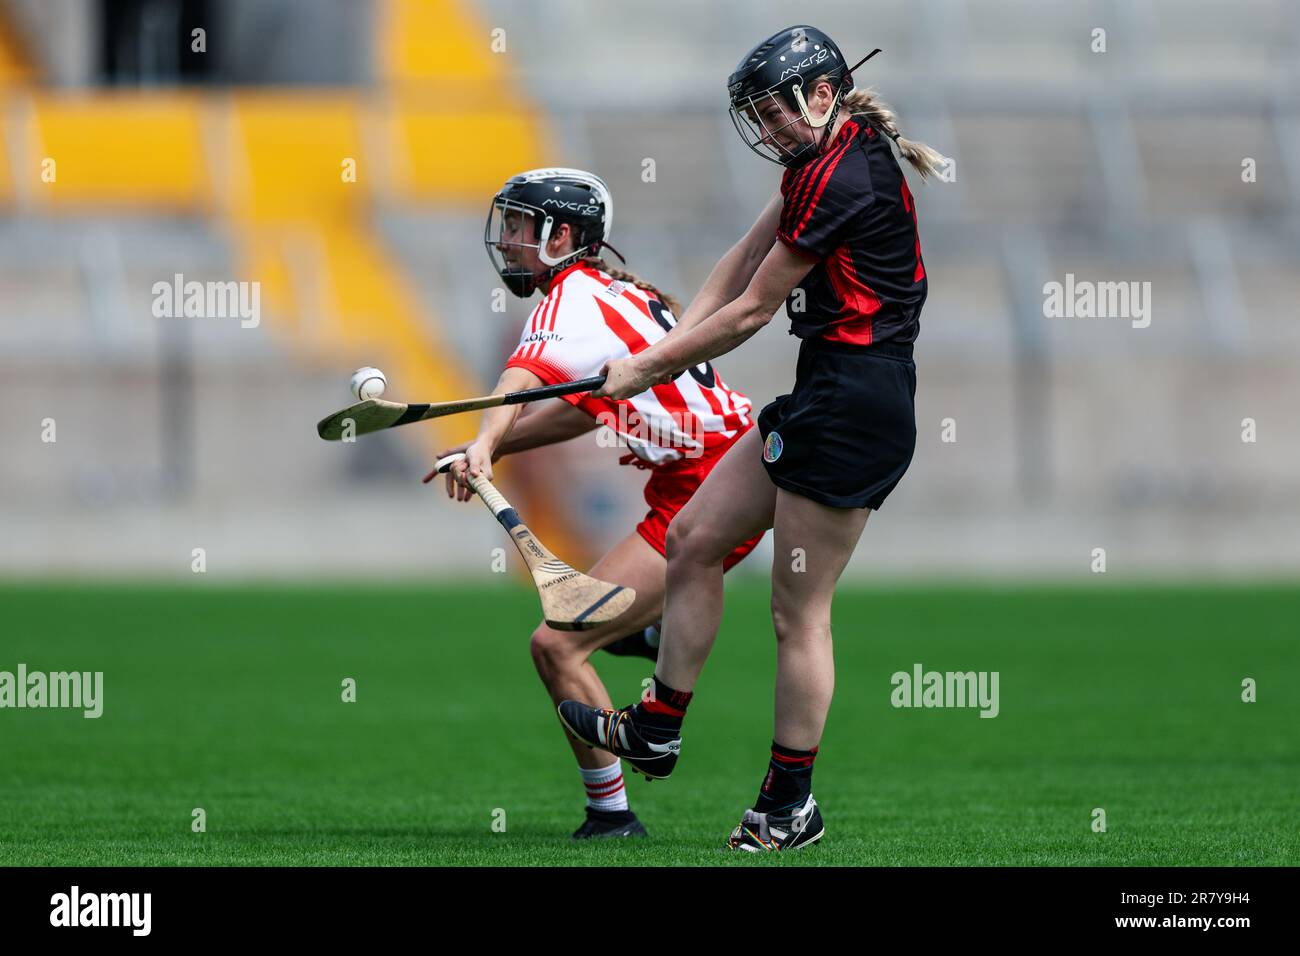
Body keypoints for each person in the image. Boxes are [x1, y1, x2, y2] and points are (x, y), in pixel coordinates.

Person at [557, 26, 945, 851]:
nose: (765, 132)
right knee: (694, 538)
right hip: (821, 395)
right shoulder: (820, 158)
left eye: (773, 114)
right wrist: (654, 356)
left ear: (822, 94)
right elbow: (739, 260)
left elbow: (753, 311)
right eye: (757, 117)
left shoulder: (842, 173)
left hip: (856, 407)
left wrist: (642, 369)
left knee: (796, 614)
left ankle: (788, 805)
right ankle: (658, 726)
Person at [431, 167, 763, 840]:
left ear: (561, 236)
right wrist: (491, 447)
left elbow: (517, 381)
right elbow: (586, 413)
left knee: (555, 646)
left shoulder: (571, 298)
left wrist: (488, 435)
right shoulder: (605, 292)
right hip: (702, 480)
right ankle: (649, 632)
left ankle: (611, 816)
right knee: (575, 635)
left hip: (715, 488)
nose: (509, 242)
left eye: (520, 227)